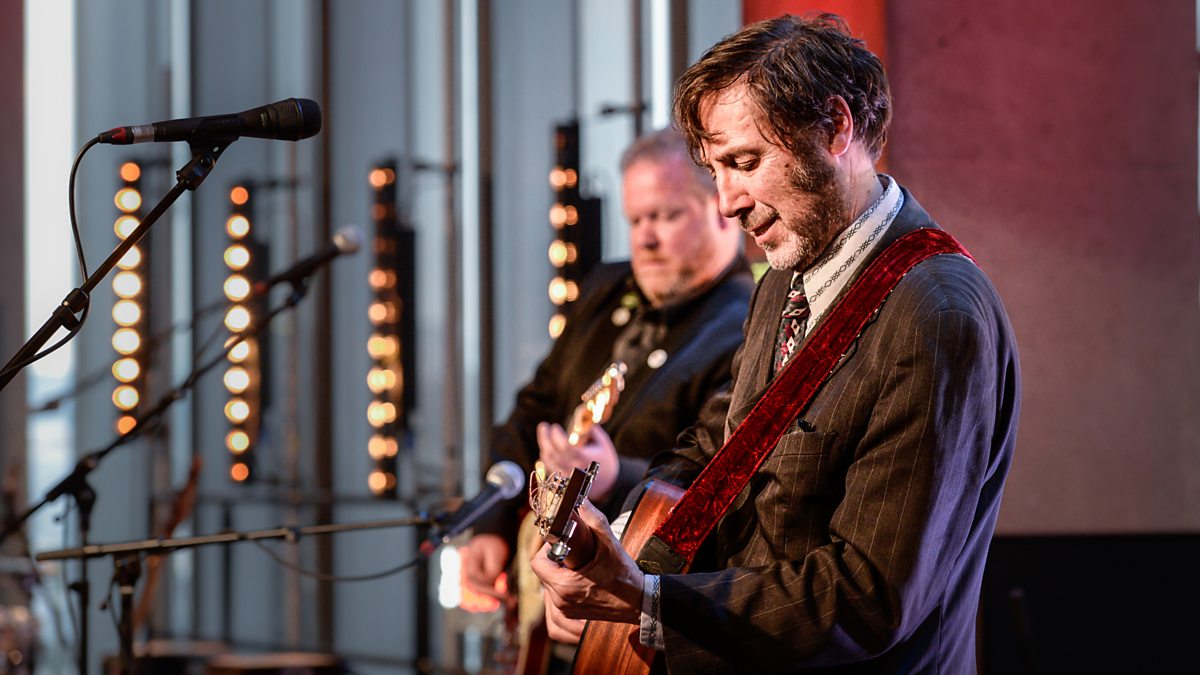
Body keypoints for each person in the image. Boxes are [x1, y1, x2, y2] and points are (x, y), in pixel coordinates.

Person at [531, 13, 1020, 674]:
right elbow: (723, 447)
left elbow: (869, 598)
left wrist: (645, 598)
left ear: (835, 127)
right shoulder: (784, 278)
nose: (726, 202)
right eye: (715, 168)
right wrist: (615, 545)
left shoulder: (936, 315)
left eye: (743, 162)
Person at [458, 128, 753, 653]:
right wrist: (492, 524)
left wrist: (617, 478)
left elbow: (724, 478)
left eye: (665, 215)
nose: (645, 239)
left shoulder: (749, 323)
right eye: (636, 220)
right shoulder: (605, 287)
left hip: (639, 619)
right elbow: (536, 407)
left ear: (720, 209)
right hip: (541, 611)